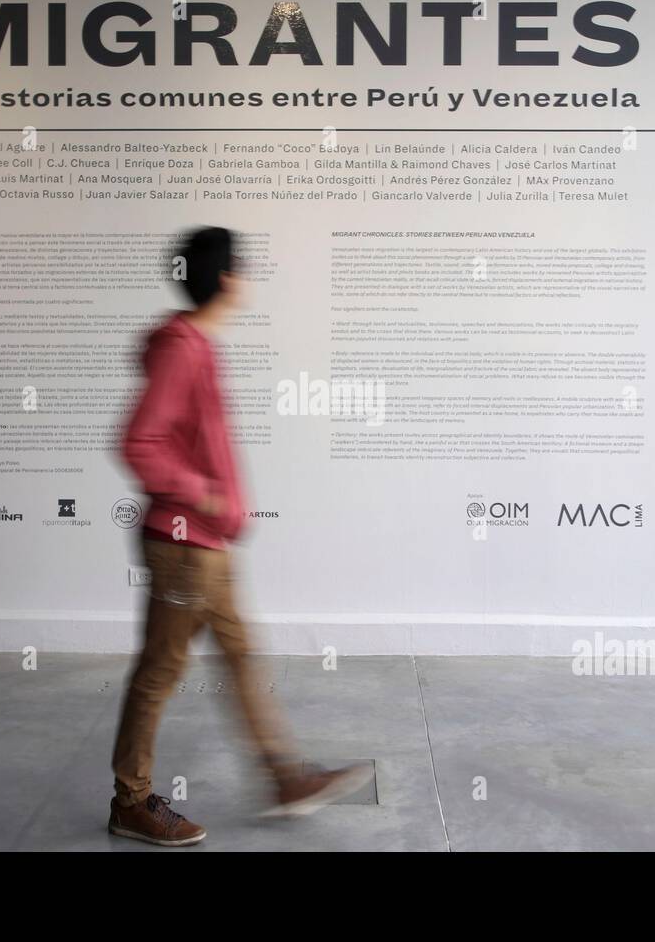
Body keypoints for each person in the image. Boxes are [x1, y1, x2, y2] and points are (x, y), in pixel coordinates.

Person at [109, 226, 371, 846]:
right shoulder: (182, 349)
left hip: (207, 546)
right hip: (181, 544)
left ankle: (285, 777)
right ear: (225, 279)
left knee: (242, 656)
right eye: (242, 269)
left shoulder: (199, 345)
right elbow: (137, 441)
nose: (246, 278)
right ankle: (132, 800)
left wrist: (218, 510)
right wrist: (200, 494)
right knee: (160, 670)